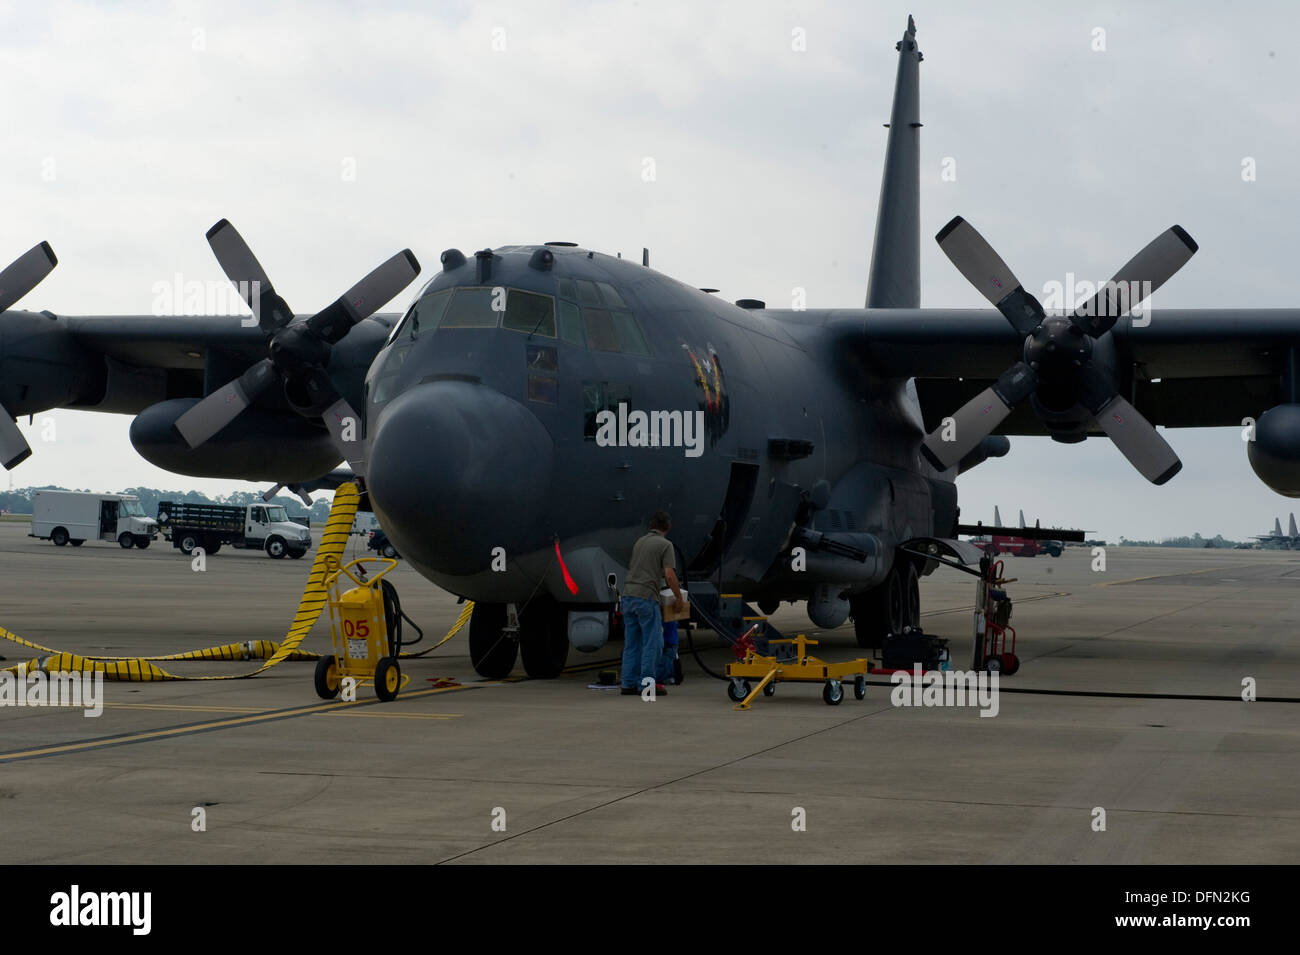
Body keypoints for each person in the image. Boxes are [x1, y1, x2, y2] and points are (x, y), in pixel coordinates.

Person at [620, 510, 683, 696]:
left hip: (628, 596)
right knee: (652, 643)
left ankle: (628, 683)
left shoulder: (640, 542)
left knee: (632, 644)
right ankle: (647, 684)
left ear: (650, 526)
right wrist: (678, 598)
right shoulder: (665, 545)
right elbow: (669, 575)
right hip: (646, 598)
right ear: (668, 527)